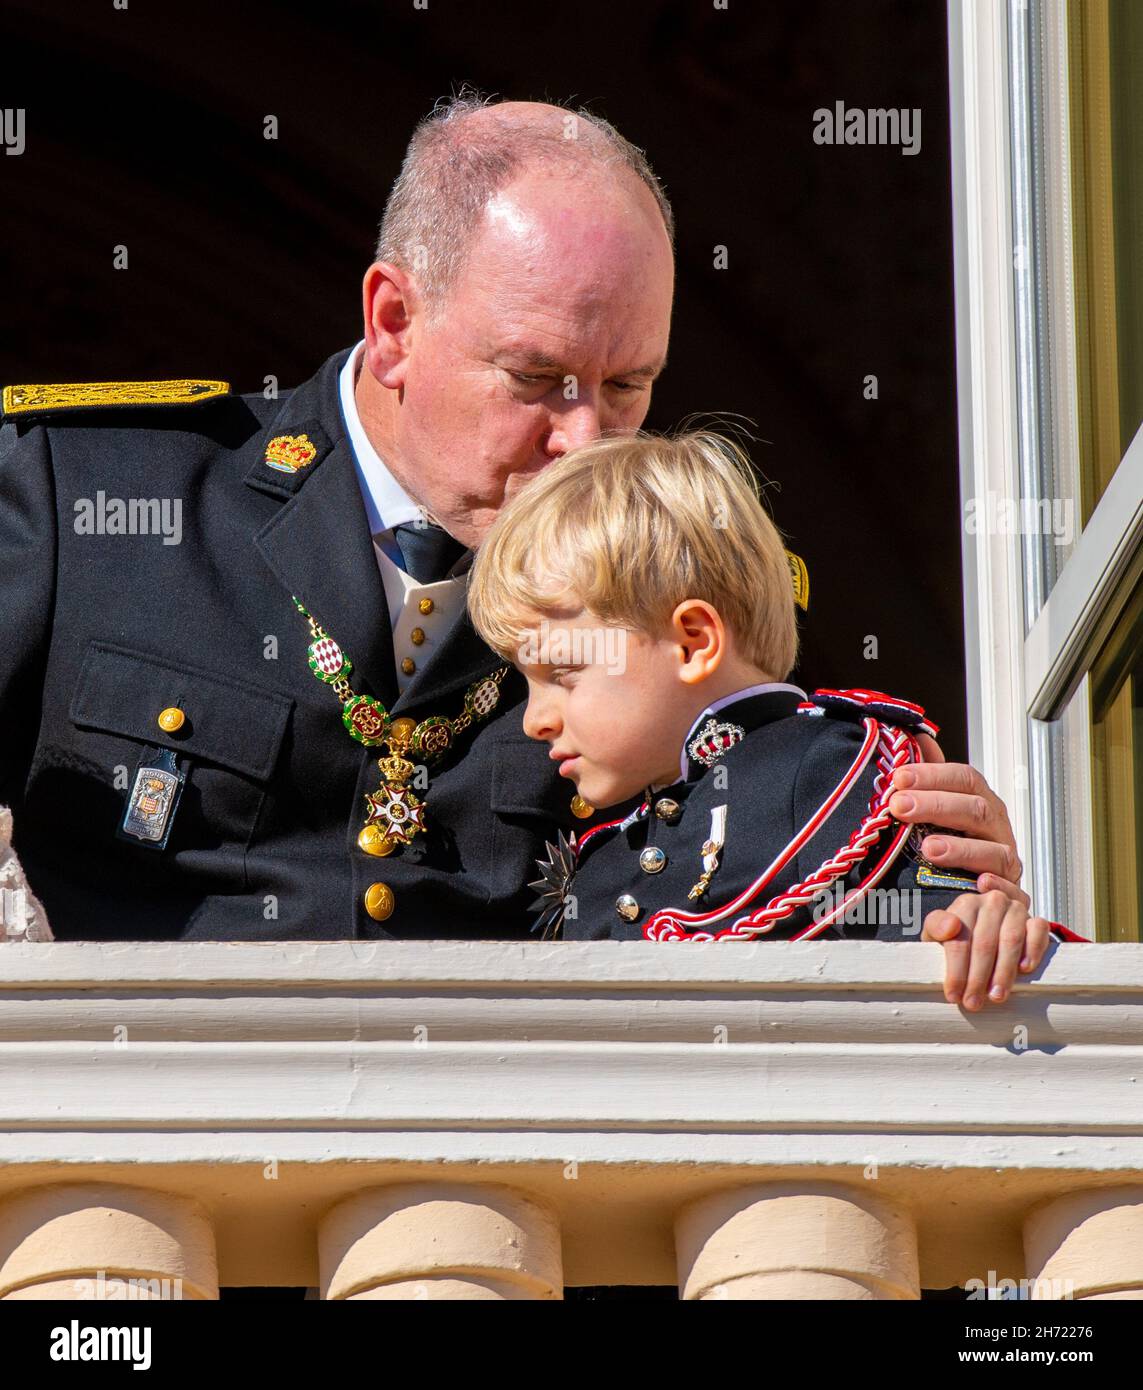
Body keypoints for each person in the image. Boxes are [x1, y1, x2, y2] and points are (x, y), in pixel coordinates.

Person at [0, 94, 1028, 975]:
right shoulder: (88, 497)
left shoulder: (670, 581)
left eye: (629, 386)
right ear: (394, 322)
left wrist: (931, 894)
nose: (584, 442)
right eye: (538, 379)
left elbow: (782, 860)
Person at [466, 429, 1076, 1006]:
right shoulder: (604, 859)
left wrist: (968, 923)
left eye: (563, 676)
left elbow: (926, 931)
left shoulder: (822, 764)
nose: (534, 721)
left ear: (693, 642)